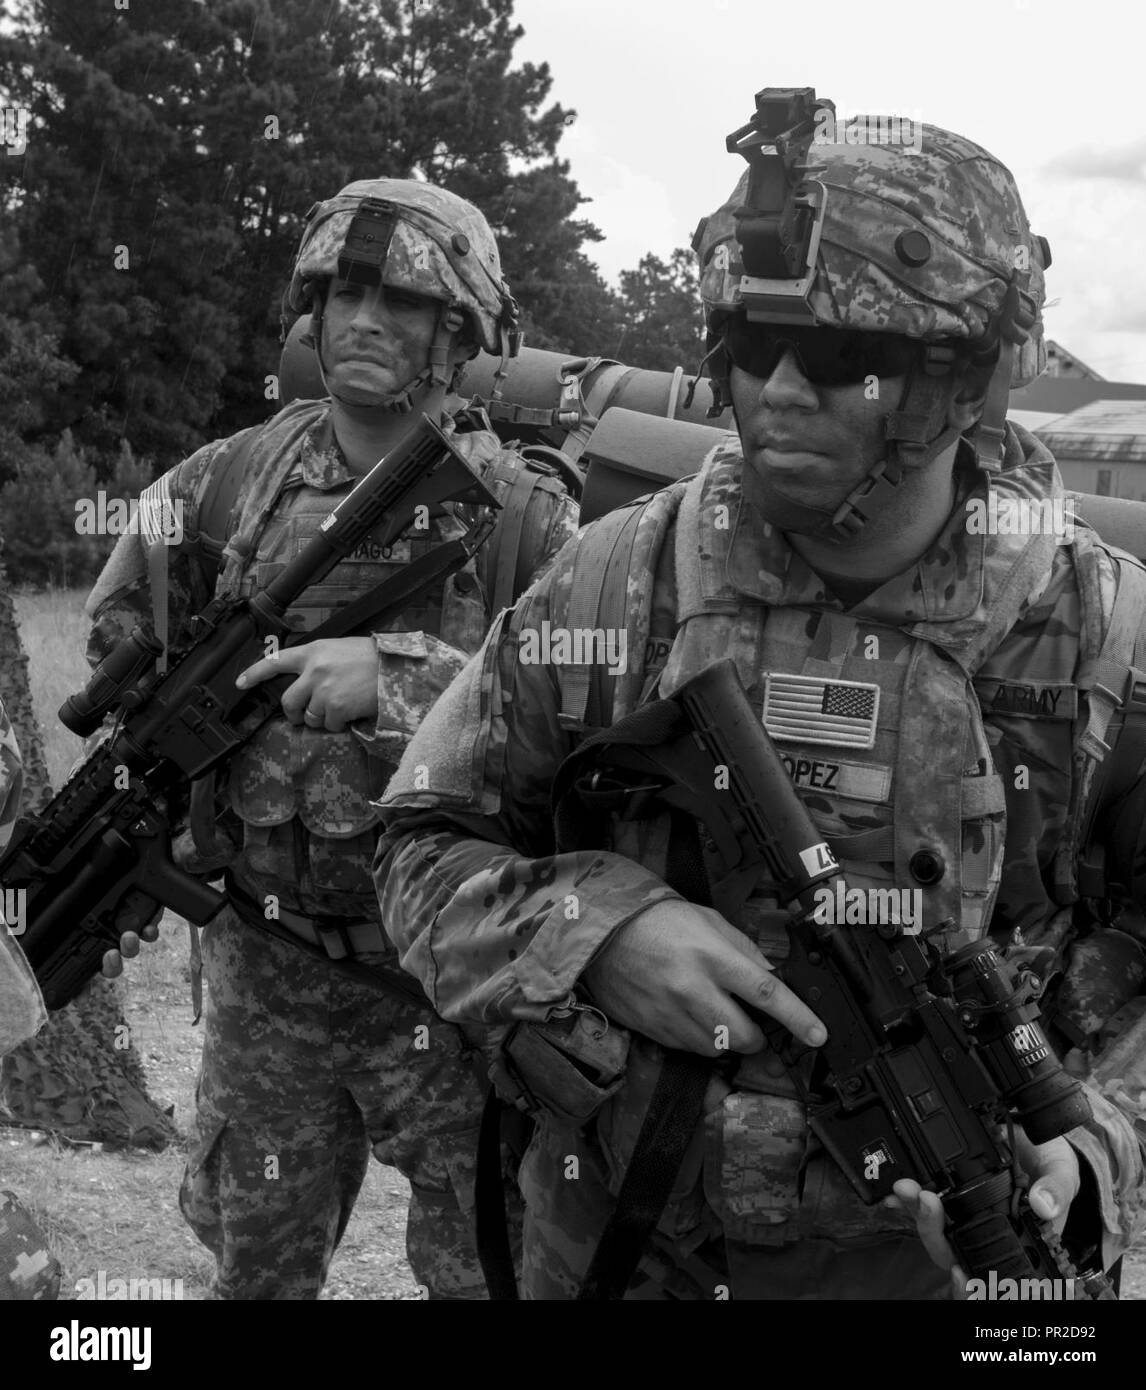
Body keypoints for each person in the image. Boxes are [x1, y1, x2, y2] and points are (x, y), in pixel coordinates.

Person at [373, 91, 1146, 1299]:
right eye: (745, 344)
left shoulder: (1105, 634)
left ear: (965, 375)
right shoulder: (617, 578)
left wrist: (1097, 1143)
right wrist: (598, 929)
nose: (780, 390)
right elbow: (420, 836)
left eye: (843, 357)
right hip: (625, 1248)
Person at [84, 178, 579, 1299]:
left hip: (454, 981)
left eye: (402, 300)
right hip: (268, 969)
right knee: (257, 1269)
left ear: (459, 330)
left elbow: (584, 710)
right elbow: (121, 646)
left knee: (493, 1268)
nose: (365, 320)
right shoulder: (225, 483)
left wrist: (401, 678)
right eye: (344, 293)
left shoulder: (523, 517)